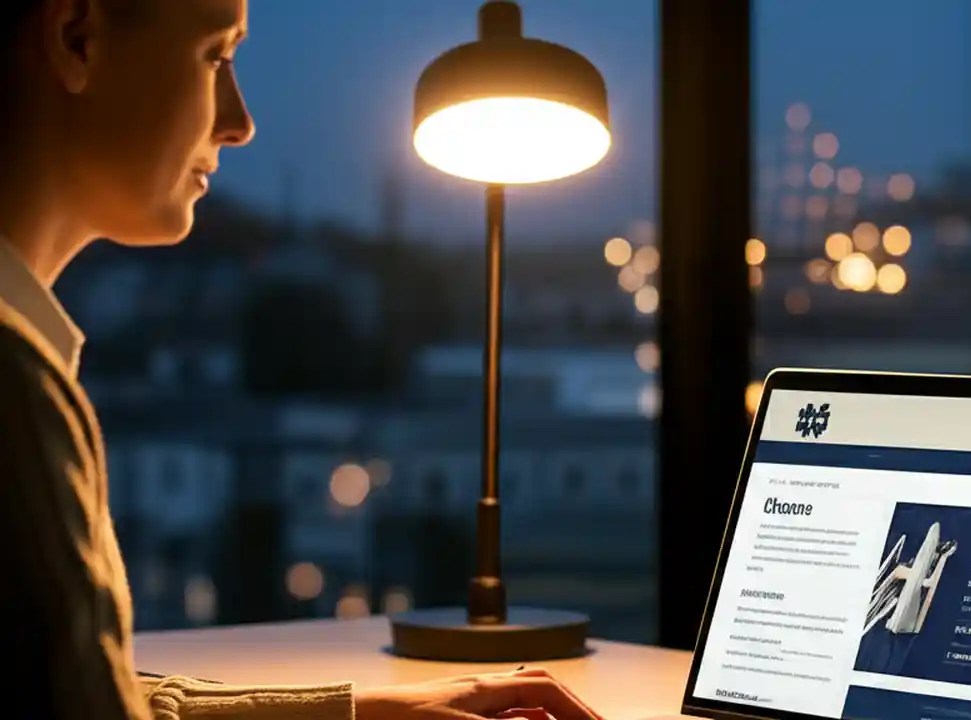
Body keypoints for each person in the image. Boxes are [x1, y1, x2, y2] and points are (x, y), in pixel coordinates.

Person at [0, 1, 607, 719]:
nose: (240, 121)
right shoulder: (14, 394)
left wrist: (364, 713)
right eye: (217, 57)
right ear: (78, 38)